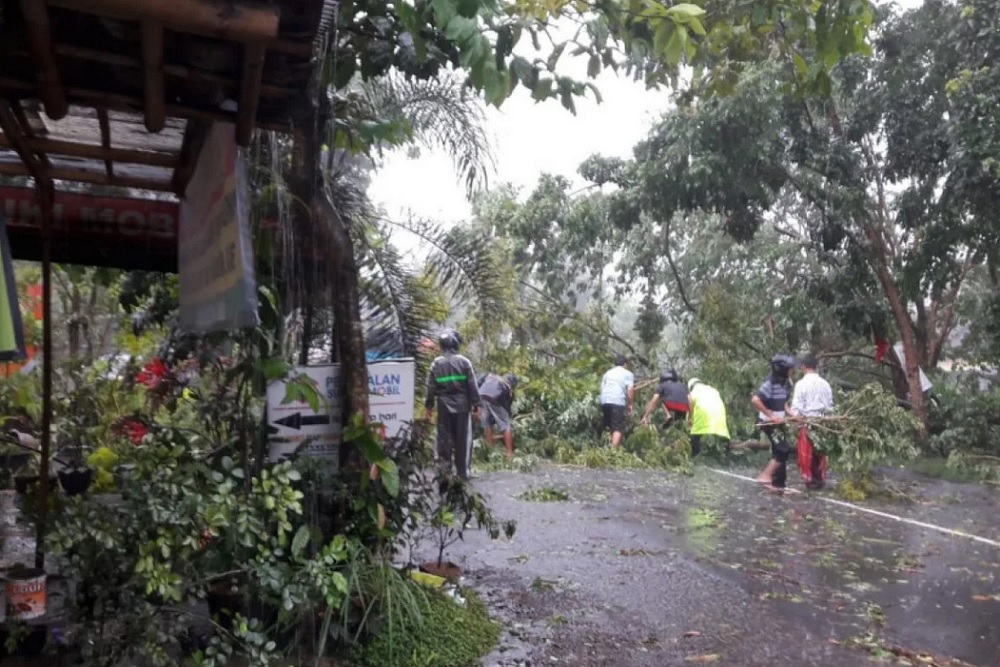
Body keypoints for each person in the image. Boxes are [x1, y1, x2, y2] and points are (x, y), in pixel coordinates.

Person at [424, 329, 481, 480]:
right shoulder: (464, 362)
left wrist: (428, 407)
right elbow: (472, 386)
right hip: (463, 407)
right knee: (463, 440)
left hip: (443, 407)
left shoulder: (436, 364)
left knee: (444, 440)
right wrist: (477, 405)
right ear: (456, 344)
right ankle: (463, 473)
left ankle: (444, 472)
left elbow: (430, 387)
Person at [789, 353, 834, 490]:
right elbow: (830, 407)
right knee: (820, 451)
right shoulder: (825, 384)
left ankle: (811, 480)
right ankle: (819, 478)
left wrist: (789, 413)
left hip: (807, 422)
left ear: (803, 367)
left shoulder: (801, 384)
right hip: (823, 422)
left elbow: (797, 409)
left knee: (807, 452)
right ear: (816, 367)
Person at [752, 354, 797, 490]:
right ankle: (765, 475)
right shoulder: (770, 383)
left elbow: (784, 404)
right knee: (783, 449)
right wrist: (771, 415)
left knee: (779, 450)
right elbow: (755, 400)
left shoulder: (785, 383)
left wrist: (792, 414)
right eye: (790, 369)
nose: (792, 371)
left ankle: (779, 483)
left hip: (779, 422)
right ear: (782, 369)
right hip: (769, 423)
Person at [477, 372, 518, 460]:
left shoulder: (491, 376)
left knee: (488, 423)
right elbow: (506, 410)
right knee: (506, 425)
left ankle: (490, 449)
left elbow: (478, 382)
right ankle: (509, 453)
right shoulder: (508, 388)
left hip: (481, 396)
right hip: (496, 398)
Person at [686, 378, 730, 457]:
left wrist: (689, 420)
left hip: (702, 431)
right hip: (722, 431)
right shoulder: (714, 391)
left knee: (694, 452)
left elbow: (689, 414)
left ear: (690, 387)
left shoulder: (692, 393)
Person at [598, 354, 635, 448]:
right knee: (618, 427)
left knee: (608, 425)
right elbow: (630, 390)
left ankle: (605, 446)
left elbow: (602, 389)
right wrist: (630, 404)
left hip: (604, 401)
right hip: (617, 401)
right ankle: (613, 451)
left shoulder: (608, 373)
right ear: (625, 364)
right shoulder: (628, 374)